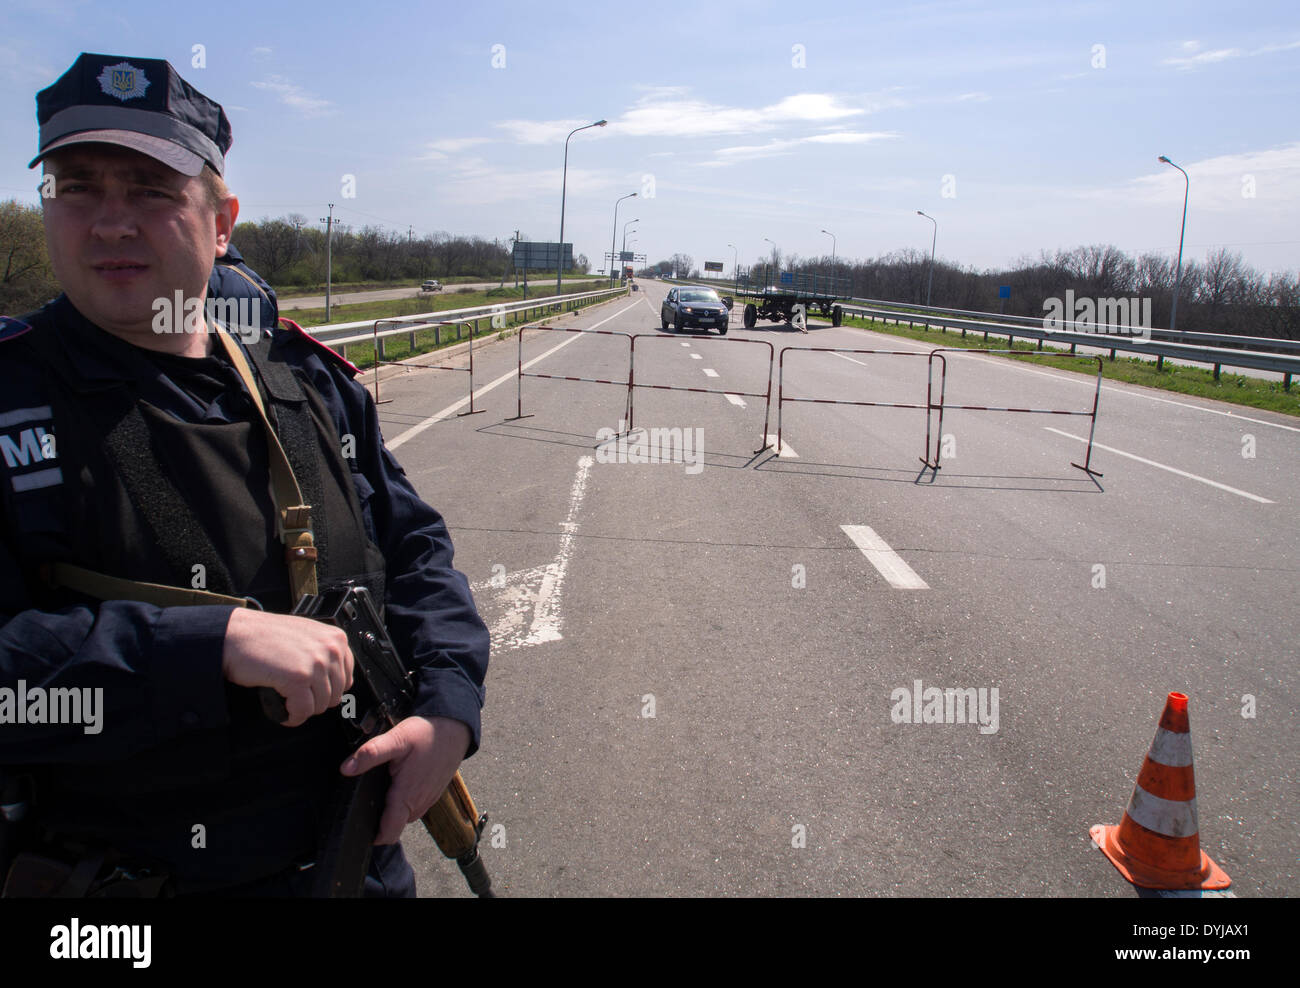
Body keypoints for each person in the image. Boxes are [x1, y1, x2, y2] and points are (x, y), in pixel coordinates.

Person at [0, 53, 490, 896]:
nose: (111, 223)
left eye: (152, 190)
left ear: (221, 219)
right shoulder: (15, 396)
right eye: (77, 187)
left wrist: (448, 705)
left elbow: (415, 550)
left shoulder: (305, 381)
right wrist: (203, 649)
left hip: (354, 868)